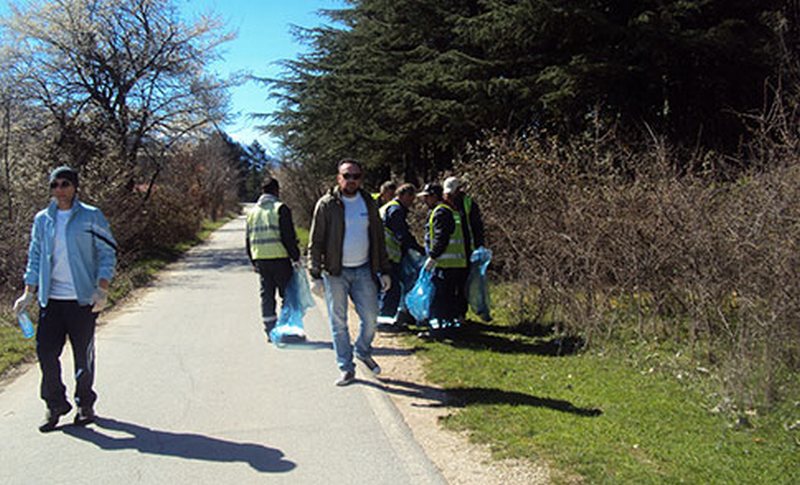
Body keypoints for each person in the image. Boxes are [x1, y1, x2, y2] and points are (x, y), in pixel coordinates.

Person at [13, 166, 117, 432]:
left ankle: (85, 404)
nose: (60, 190)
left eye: (65, 184)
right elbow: (35, 256)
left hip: (82, 299)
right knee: (46, 352)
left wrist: (102, 289)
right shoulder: (42, 220)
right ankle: (55, 403)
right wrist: (28, 292)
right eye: (55, 185)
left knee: (83, 355)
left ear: (75, 187)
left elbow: (107, 253)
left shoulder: (91, 217)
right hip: (52, 300)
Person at [308, 159, 392, 386]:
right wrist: (314, 274)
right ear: (339, 178)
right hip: (335, 272)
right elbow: (315, 241)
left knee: (372, 318)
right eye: (347, 176)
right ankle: (346, 368)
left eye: (356, 176)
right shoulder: (326, 205)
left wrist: (384, 270)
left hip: (364, 269)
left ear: (361, 179)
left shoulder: (368, 203)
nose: (351, 180)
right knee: (339, 322)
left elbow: (378, 239)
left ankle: (362, 351)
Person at [245, 176, 302, 342]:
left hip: (261, 260)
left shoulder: (252, 213)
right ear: (277, 190)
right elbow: (288, 237)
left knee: (267, 296)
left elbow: (248, 240)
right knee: (288, 295)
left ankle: (270, 331)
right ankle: (286, 331)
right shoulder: (280, 208)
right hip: (280, 259)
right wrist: (296, 257)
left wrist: (253, 261)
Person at [421, 182, 469, 338]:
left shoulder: (441, 212)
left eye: (427, 197)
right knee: (448, 298)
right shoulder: (448, 210)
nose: (424, 200)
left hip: (445, 264)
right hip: (453, 263)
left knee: (439, 299)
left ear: (434, 196)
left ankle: (438, 330)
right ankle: (448, 329)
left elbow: (441, 238)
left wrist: (433, 256)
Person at [377, 183, 424, 328]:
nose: (412, 201)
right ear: (403, 195)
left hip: (382, 253)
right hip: (387, 255)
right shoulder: (396, 210)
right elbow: (401, 234)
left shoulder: (389, 207)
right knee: (393, 288)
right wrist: (418, 249)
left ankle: (403, 316)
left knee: (392, 286)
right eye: (411, 197)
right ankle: (385, 322)